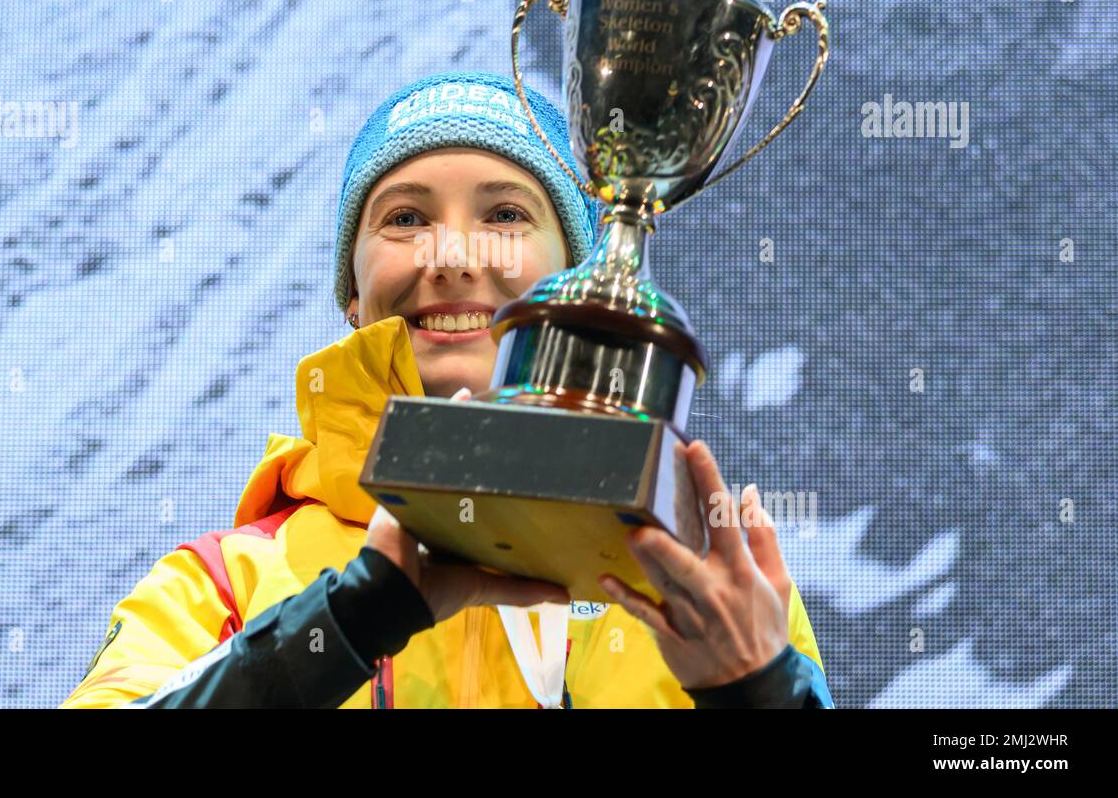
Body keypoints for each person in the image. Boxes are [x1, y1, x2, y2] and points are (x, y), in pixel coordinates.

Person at [59, 71, 834, 709]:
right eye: (404, 218)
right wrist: (348, 623)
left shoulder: (706, 594)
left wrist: (759, 693)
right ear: (351, 298)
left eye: (504, 214)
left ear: (581, 281)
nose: (455, 254)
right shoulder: (222, 587)